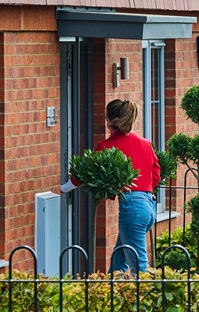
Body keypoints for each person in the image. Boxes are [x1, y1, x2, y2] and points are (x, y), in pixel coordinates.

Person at [61, 99, 160, 274]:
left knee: (139, 268)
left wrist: (64, 188)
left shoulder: (107, 147)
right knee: (119, 261)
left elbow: (85, 171)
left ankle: (150, 299)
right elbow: (156, 174)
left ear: (108, 121)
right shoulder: (145, 144)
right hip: (148, 205)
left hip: (132, 209)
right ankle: (113, 293)